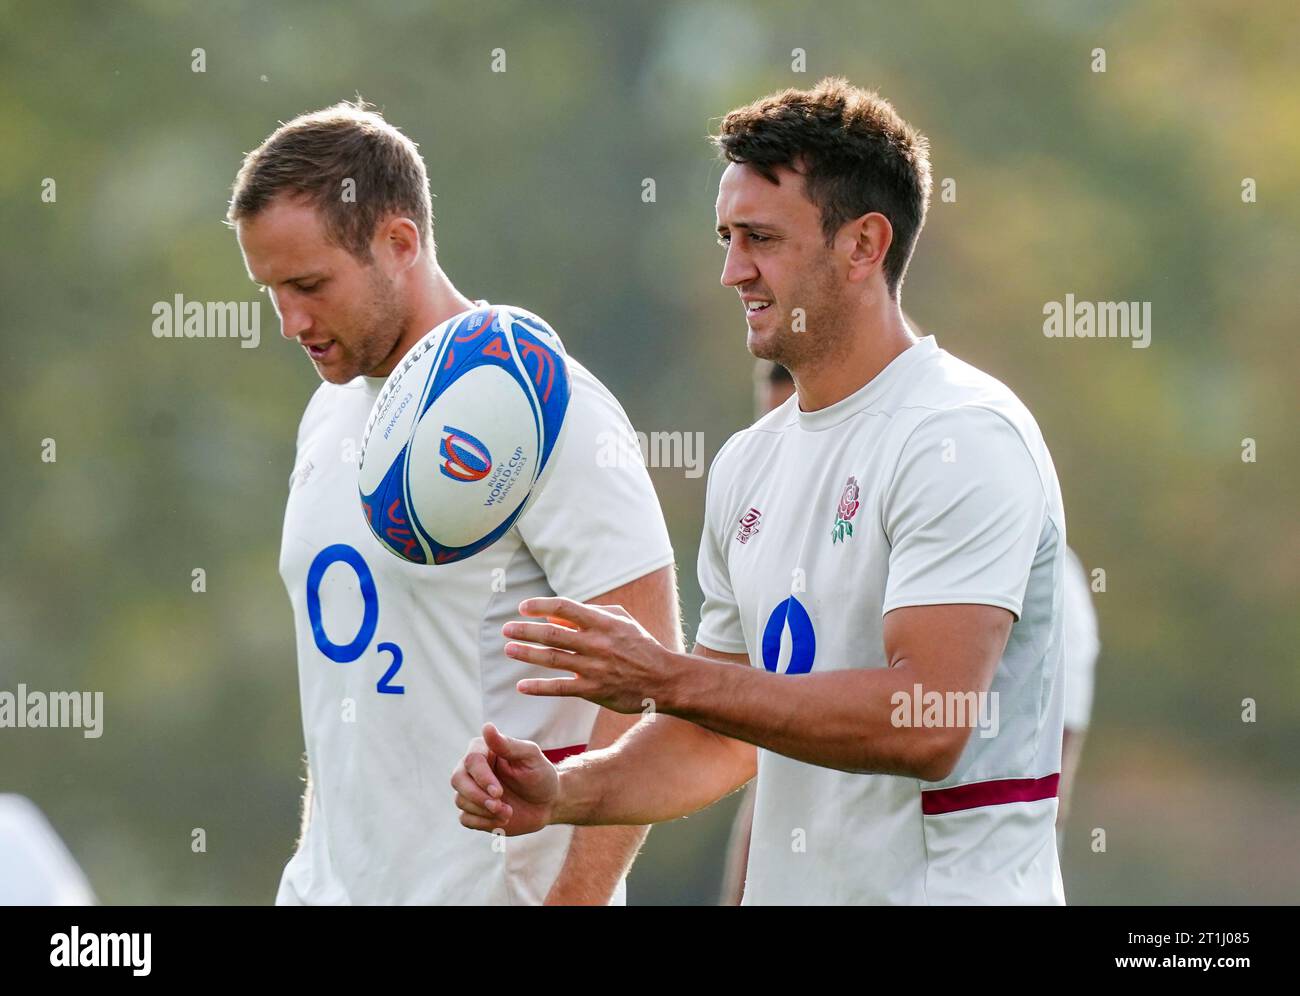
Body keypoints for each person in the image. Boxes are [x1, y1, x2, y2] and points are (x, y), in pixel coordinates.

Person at [453, 78, 1069, 904]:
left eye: (760, 239)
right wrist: (565, 793)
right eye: (725, 237)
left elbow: (927, 718)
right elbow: (716, 739)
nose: (730, 271)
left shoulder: (961, 437)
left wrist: (667, 676)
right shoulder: (750, 461)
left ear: (863, 245)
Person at [228, 100, 679, 904]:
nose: (292, 321)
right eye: (272, 292)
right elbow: (346, 703)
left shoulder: (548, 410)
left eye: (309, 284)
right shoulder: (328, 411)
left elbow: (648, 697)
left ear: (399, 243)